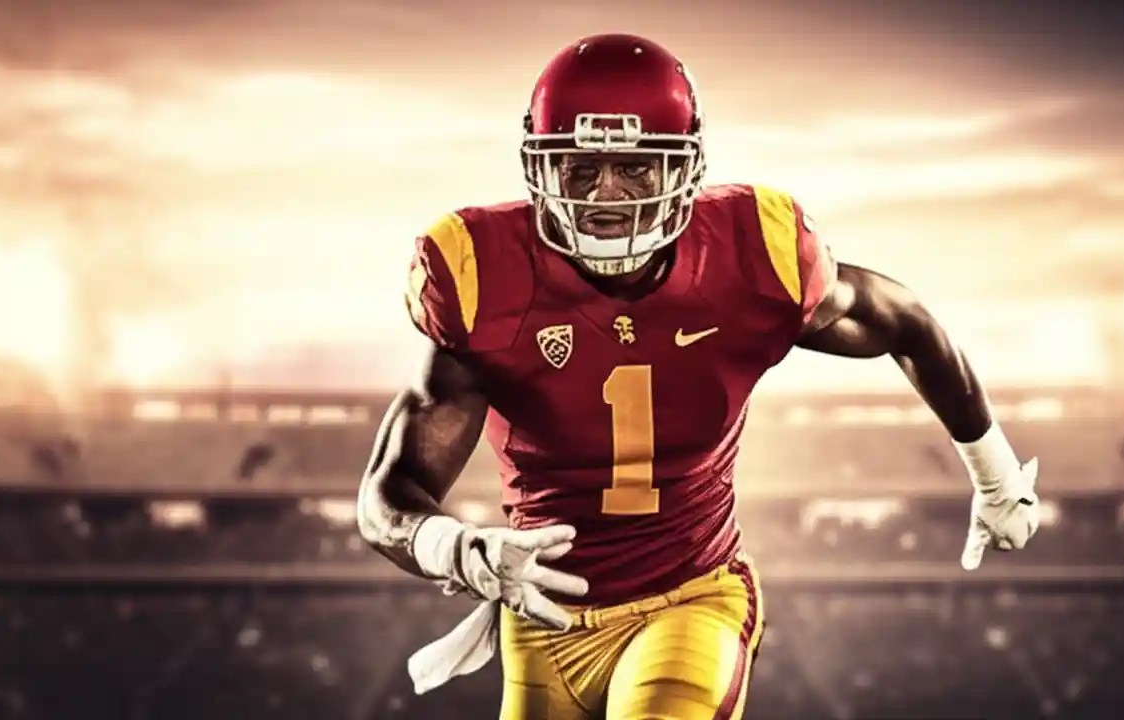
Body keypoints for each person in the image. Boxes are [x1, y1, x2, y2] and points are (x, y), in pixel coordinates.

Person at [357, 32, 1041, 720]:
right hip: (542, 626)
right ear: (542, 167)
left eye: (636, 169)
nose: (608, 195)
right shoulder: (482, 281)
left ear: (684, 169)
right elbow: (390, 494)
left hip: (688, 602)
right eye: (581, 168)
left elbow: (906, 323)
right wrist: (460, 549)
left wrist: (996, 474)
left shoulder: (752, 257)